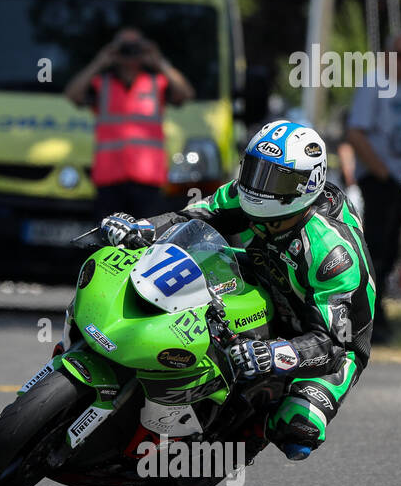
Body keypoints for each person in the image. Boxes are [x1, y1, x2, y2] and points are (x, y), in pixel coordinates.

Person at [100, 120, 375, 461]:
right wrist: (141, 228)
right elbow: (193, 216)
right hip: (265, 282)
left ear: (306, 185)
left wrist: (276, 354)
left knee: (297, 432)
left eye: (275, 179)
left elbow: (334, 344)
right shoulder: (243, 193)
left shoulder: (331, 253)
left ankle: (242, 431)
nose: (259, 187)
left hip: (323, 338)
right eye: (255, 171)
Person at [63, 27, 194, 218]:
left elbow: (186, 94)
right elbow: (72, 94)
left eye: (135, 47)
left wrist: (160, 62)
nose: (129, 52)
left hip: (148, 182)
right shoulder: (102, 84)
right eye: (123, 47)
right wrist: (99, 62)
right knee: (109, 241)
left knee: (147, 241)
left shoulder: (157, 82)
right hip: (109, 181)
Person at [344, 30, 401, 343]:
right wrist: (379, 172)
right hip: (379, 178)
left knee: (391, 249)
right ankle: (368, 318)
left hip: (395, 177)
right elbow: (355, 132)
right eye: (400, 54)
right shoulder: (373, 83)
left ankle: (376, 310)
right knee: (375, 248)